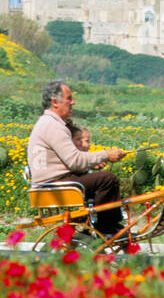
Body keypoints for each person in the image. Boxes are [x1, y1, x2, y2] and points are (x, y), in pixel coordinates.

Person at [27, 81, 126, 234]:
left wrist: (93, 163)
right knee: (107, 179)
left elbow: (69, 160)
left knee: (98, 177)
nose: (73, 102)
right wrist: (106, 154)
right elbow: (75, 161)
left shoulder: (49, 122)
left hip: (53, 180)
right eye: (69, 98)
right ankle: (105, 228)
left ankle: (97, 226)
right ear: (55, 102)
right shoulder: (53, 125)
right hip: (53, 184)